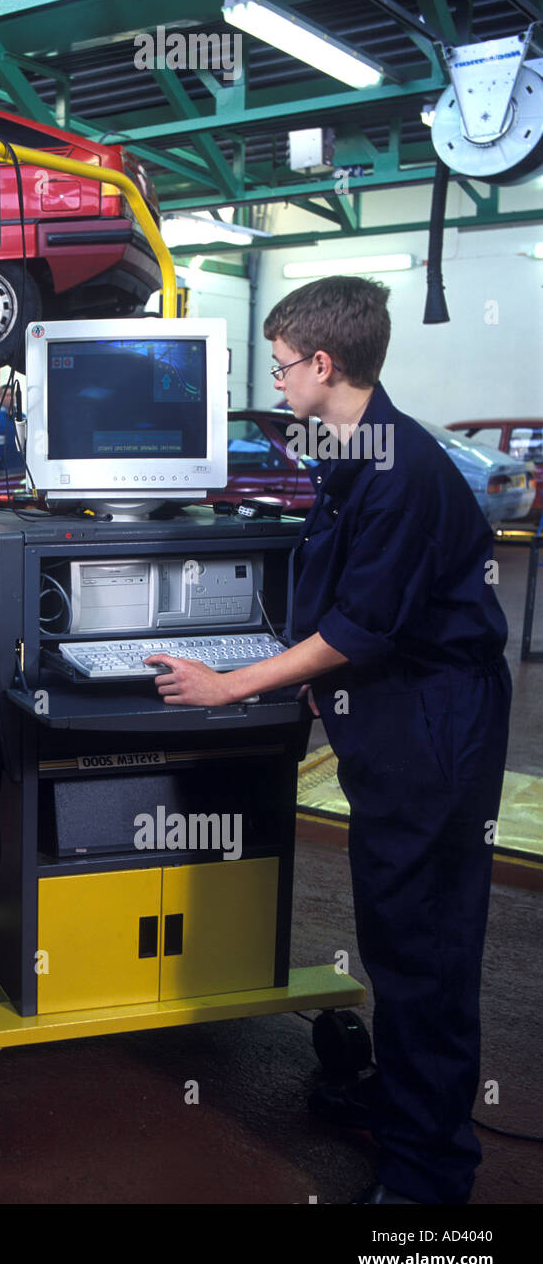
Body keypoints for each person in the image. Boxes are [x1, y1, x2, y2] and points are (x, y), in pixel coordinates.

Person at [146, 275, 511, 1206]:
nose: (276, 379)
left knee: (423, 952)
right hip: (399, 716)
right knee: (396, 933)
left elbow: (358, 628)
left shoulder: (399, 472)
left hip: (431, 731)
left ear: (324, 363)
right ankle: (398, 1104)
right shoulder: (356, 449)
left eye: (280, 364)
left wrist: (230, 683)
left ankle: (428, 1181)